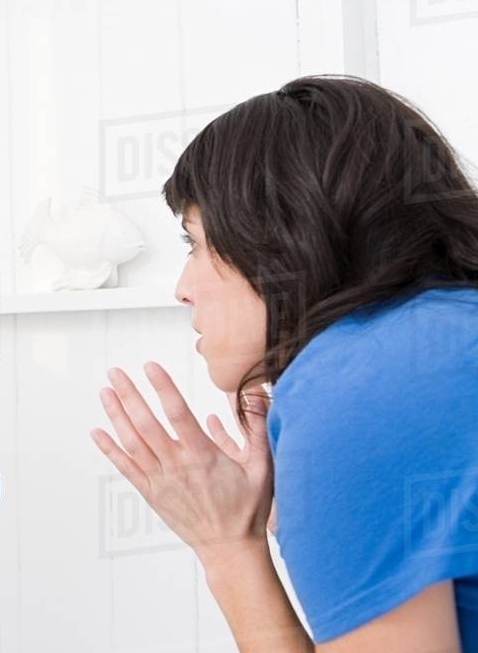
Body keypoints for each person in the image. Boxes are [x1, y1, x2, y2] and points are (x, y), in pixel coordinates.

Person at [91, 74, 478, 651]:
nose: (181, 287)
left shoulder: (359, 382)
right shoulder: (440, 338)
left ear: (279, 233)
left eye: (193, 242)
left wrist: (227, 548)